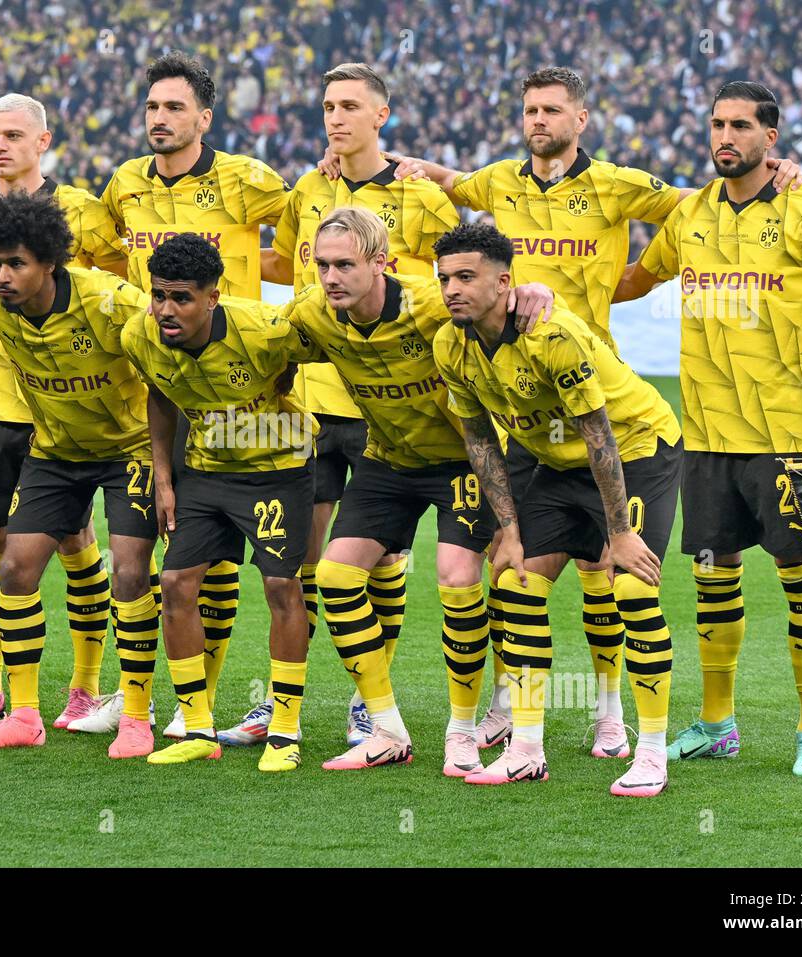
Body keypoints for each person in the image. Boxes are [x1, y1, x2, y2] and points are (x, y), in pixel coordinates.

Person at [384, 65, 802, 757]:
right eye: (529, 110)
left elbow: (705, 201)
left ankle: (611, 711)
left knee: (606, 575)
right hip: (520, 402)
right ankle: (508, 706)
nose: (538, 121)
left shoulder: (618, 185)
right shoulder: (496, 182)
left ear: (582, 119)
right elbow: (441, 179)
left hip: (593, 396)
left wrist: (784, 171)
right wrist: (367, 159)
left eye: (552, 110)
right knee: (509, 560)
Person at [613, 81, 802, 778]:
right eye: (716, 125)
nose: (724, 136)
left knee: (800, 579)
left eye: (739, 126)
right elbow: (638, 278)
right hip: (703, 437)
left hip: (789, 435)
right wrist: (556, 279)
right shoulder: (690, 213)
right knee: (712, 577)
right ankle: (717, 723)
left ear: (771, 137)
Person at [221, 61, 460, 749]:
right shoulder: (307, 187)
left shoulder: (422, 197)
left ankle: (368, 701)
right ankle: (280, 697)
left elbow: (452, 291)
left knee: (379, 563)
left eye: (351, 105)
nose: (336, 116)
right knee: (294, 557)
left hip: (389, 409)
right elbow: (291, 269)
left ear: (381, 115)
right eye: (328, 104)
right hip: (307, 406)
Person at [281, 207, 551, 774]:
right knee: (333, 575)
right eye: (322, 265)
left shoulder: (433, 306)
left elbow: (508, 306)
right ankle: (386, 728)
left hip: (463, 461)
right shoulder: (314, 313)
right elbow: (265, 344)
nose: (330, 277)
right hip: (389, 461)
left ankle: (462, 730)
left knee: (456, 577)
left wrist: (536, 290)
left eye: (345, 265)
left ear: (381, 263)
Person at [433, 222, 683, 796]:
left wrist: (618, 533)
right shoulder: (452, 344)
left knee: (633, 589)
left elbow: (601, 435)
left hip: (638, 448)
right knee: (515, 580)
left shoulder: (553, 335)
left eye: (466, 277)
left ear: (504, 281)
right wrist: (511, 529)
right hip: (556, 463)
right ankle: (525, 749)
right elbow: (480, 442)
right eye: (445, 278)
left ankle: (649, 753)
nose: (452, 289)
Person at [100, 51, 292, 740]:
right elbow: (99, 254)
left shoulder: (247, 178)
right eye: (152, 107)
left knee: (216, 563)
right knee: (146, 556)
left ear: (204, 118)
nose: (160, 118)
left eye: (175, 107)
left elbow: (307, 231)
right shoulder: (123, 184)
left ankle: (200, 702)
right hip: (163, 383)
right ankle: (137, 703)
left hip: (238, 394)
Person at [0, 190, 163, 758]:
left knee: (131, 573)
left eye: (15, 263)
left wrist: (167, 474)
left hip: (129, 449)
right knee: (14, 568)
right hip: (57, 452)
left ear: (49, 261)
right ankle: (25, 714)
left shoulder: (109, 301)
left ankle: (136, 715)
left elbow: (168, 362)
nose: (1, 275)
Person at [120, 234, 321, 771]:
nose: (166, 309)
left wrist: (287, 376)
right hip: (206, 470)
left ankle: (284, 729)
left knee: (282, 585)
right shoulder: (140, 335)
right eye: (158, 295)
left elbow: (324, 347)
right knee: (174, 582)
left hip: (277, 469)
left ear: (213, 297)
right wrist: (164, 480)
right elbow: (159, 396)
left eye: (181, 297)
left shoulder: (265, 331)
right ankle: (197, 725)